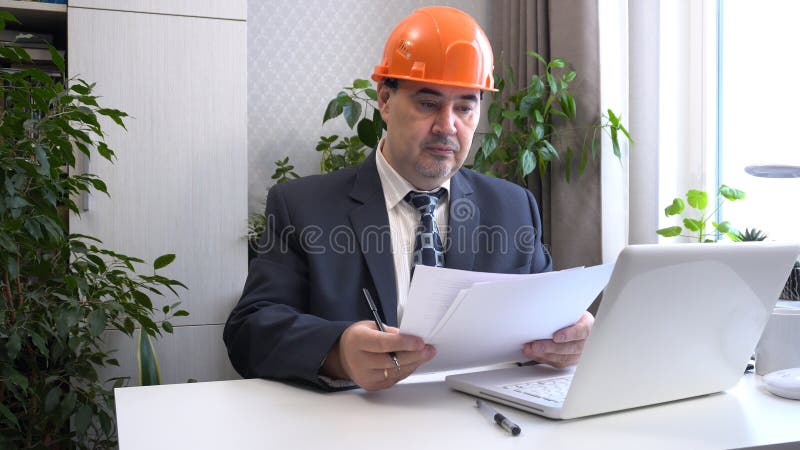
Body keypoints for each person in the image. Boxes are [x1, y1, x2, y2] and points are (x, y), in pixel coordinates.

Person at [223, 6, 594, 391]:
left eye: (465, 107)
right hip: (355, 427)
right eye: (428, 103)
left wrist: (570, 337)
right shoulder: (302, 207)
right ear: (385, 100)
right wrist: (338, 351)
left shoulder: (514, 207)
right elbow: (249, 330)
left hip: (484, 424)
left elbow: (551, 315)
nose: (447, 126)